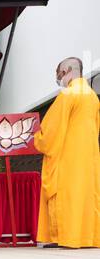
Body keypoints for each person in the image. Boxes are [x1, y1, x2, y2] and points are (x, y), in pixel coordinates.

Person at [34, 56, 100, 248]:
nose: (59, 78)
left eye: (59, 74)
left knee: (66, 196)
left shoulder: (68, 95)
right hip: (88, 157)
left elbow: (50, 131)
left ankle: (65, 237)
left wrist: (38, 138)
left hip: (67, 157)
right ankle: (87, 238)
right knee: (85, 196)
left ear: (66, 72)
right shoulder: (92, 96)